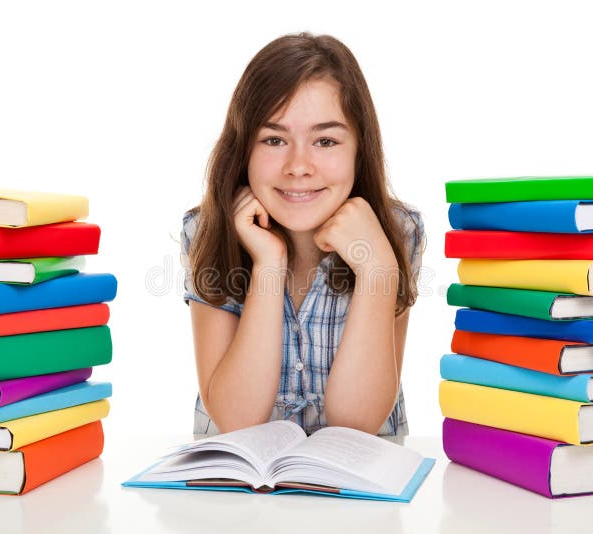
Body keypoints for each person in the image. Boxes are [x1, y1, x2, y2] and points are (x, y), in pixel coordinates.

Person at [180, 32, 425, 439]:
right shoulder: (207, 230)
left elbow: (357, 425)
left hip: (353, 488)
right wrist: (268, 263)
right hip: (239, 490)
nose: (299, 166)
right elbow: (235, 419)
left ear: (359, 149)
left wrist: (378, 267)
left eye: (325, 141)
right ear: (243, 150)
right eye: (274, 140)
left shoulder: (398, 231)